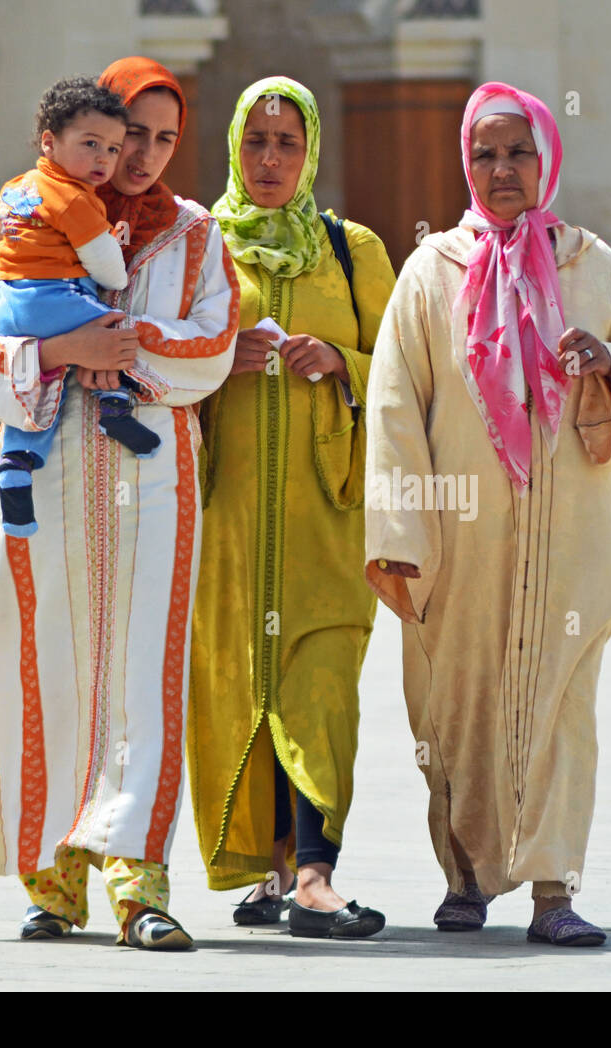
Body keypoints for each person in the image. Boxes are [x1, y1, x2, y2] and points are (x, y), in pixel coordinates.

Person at [364, 81, 611, 946]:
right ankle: (465, 876)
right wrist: (398, 534)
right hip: (458, 541)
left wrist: (606, 361)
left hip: (573, 540)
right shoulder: (433, 269)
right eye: (485, 154)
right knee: (453, 704)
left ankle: (553, 891)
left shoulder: (592, 263)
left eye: (518, 152)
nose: (503, 170)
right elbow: (393, 405)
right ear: (467, 164)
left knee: (562, 707)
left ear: (546, 160)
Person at [0, 56, 240, 949]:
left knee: (143, 677)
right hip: (46, 483)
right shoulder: (25, 212)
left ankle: (139, 885)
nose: (140, 157)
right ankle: (53, 882)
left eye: (160, 138)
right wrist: (61, 349)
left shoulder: (192, 235)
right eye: (125, 138)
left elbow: (213, 348)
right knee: (47, 661)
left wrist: (119, 345)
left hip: (154, 487)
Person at [186, 76, 395, 939]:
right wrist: (211, 360)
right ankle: (271, 870)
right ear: (234, 147)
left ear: (312, 153)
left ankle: (317, 874)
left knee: (321, 686)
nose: (270, 160)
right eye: (256, 143)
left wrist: (340, 358)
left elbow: (408, 370)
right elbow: (151, 362)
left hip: (327, 511)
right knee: (242, 684)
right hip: (226, 518)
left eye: (288, 144)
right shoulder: (196, 246)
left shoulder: (353, 250)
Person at [0, 76, 160, 538]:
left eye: (112, 148)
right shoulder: (74, 198)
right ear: (49, 141)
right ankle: (115, 406)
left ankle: (17, 465)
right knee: (112, 331)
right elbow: (104, 261)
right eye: (91, 144)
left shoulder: (16, 188)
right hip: (54, 298)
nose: (104, 159)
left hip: (11, 306)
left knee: (36, 389)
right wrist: (116, 283)